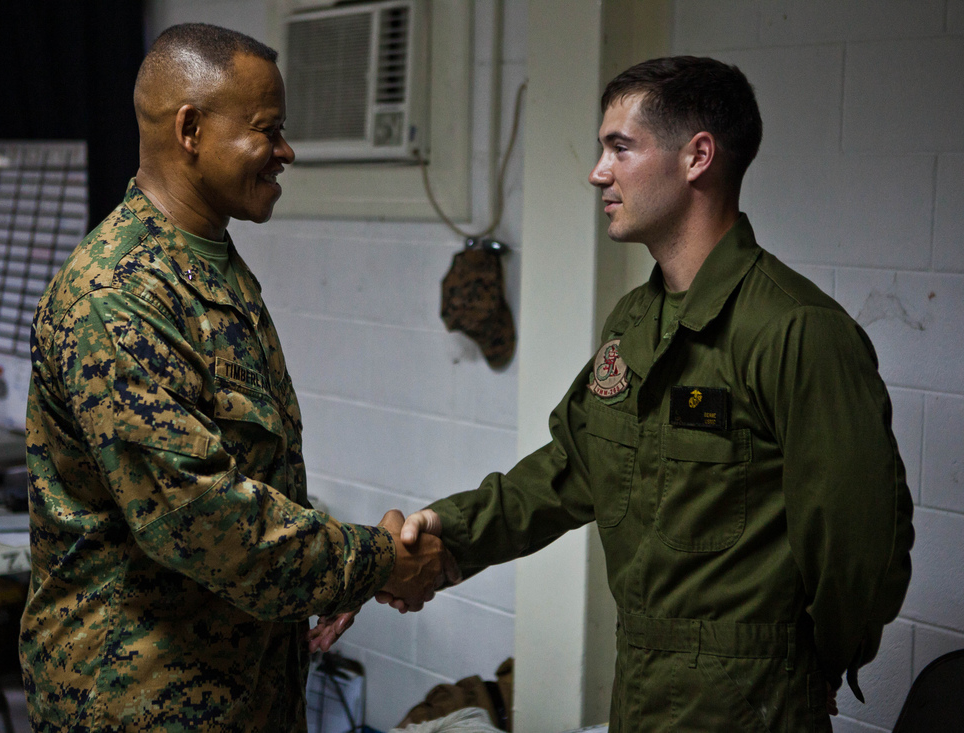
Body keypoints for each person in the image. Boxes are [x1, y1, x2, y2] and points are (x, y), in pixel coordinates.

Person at [387, 56, 915, 732]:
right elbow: (571, 469)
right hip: (639, 687)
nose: (597, 172)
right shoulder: (637, 322)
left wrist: (806, 663)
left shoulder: (796, 331)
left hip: (749, 702)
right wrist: (448, 531)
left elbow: (859, 545)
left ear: (697, 157)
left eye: (620, 148)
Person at [21, 23, 455, 732]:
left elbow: (252, 480)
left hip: (243, 693)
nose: (286, 151)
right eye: (268, 130)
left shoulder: (209, 268)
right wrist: (376, 562)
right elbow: (202, 519)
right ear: (190, 130)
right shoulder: (118, 295)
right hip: (138, 704)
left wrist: (323, 580)